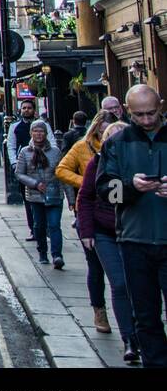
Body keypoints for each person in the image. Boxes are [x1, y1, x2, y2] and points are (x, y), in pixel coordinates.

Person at [96, 84, 167, 368]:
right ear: (127, 111)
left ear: (160, 105)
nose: (148, 120)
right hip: (134, 242)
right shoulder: (116, 143)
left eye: (152, 113)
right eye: (140, 115)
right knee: (146, 315)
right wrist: (133, 187)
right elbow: (104, 190)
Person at [77, 121, 140, 363]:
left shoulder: (139, 163)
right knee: (120, 284)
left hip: (134, 231)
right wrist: (87, 231)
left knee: (140, 286)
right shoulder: (98, 163)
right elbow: (86, 197)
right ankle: (130, 339)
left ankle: (142, 332)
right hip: (105, 233)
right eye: (109, 138)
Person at [57, 111, 115, 336]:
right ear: (96, 128)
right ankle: (99, 310)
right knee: (96, 267)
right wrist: (86, 183)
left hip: (120, 216)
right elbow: (61, 169)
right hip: (90, 213)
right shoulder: (83, 148)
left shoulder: (123, 149)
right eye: (104, 130)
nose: (107, 135)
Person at [16, 120, 65, 268]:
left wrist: (71, 199)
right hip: (35, 196)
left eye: (41, 131)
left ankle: (57, 255)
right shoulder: (25, 151)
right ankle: (43, 253)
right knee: (39, 226)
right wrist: (35, 184)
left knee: (55, 225)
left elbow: (63, 174)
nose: (38, 134)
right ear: (31, 133)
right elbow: (19, 174)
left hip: (54, 194)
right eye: (35, 131)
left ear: (45, 133)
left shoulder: (55, 152)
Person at [7, 99, 44, 239]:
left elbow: (51, 143)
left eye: (29, 108)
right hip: (24, 168)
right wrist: (14, 163)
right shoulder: (15, 127)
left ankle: (42, 226)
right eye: (24, 108)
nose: (26, 110)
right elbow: (11, 146)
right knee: (28, 198)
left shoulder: (43, 125)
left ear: (34, 110)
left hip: (42, 167)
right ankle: (34, 229)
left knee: (43, 197)